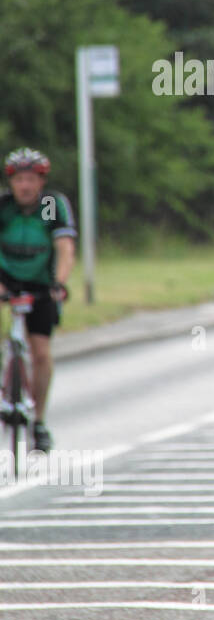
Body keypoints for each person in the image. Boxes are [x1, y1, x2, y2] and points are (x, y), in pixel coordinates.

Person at [0, 148, 76, 452]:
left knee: (41, 353)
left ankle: (39, 420)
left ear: (41, 182)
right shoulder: (4, 207)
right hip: (5, 279)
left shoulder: (49, 205)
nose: (26, 186)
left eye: (31, 179)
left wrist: (59, 283)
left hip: (42, 283)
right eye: (20, 180)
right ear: (12, 182)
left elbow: (64, 247)